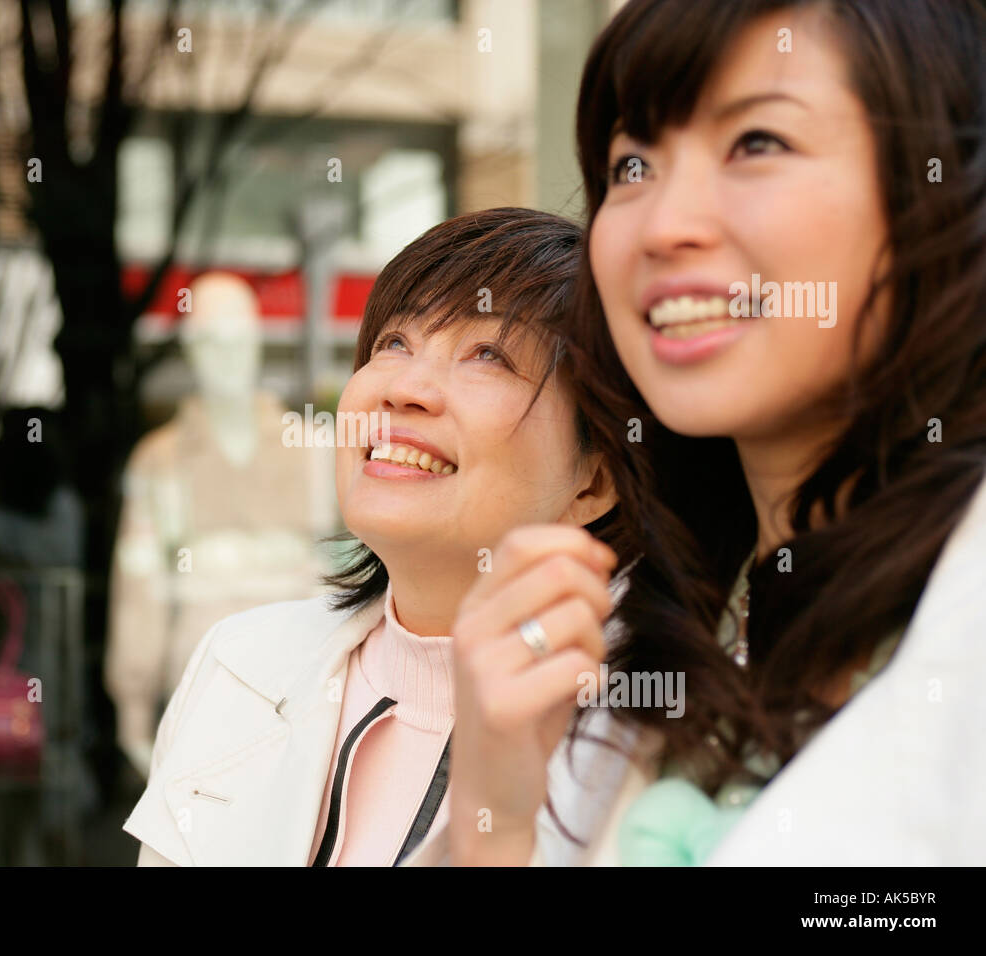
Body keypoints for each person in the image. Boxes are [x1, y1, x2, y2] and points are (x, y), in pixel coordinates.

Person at [448, 0, 986, 865]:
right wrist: (493, 817)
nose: (664, 226)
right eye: (632, 166)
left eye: (758, 143)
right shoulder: (640, 633)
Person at [123, 208, 629, 866]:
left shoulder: (660, 742)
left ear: (593, 482)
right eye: (394, 342)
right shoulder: (236, 667)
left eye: (489, 355)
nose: (405, 389)